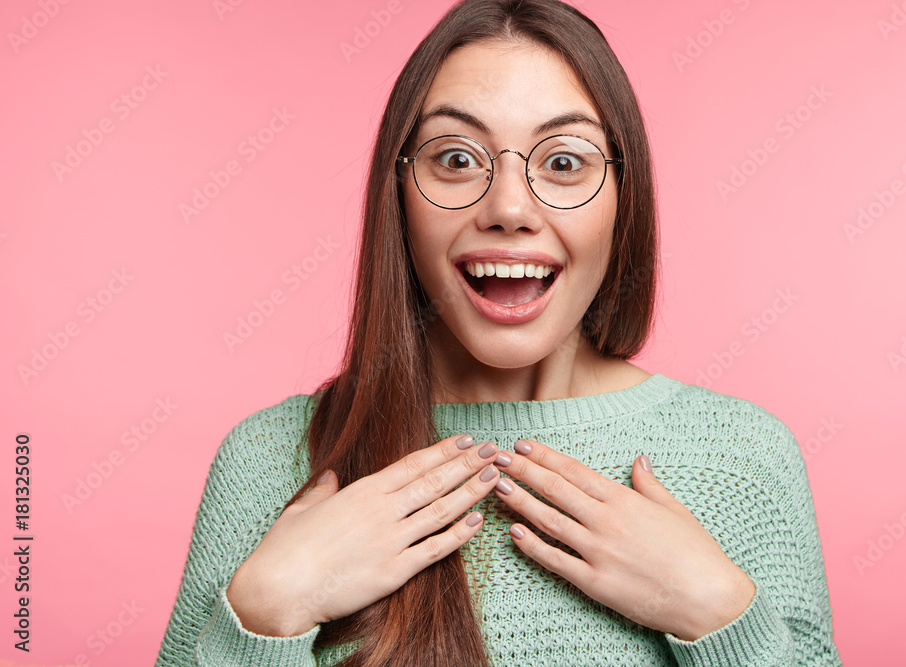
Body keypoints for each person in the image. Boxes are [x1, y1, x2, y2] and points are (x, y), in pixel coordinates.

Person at [156, 0, 842, 665]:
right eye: (456, 159)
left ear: (622, 196)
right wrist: (264, 616)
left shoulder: (745, 457)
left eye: (563, 162)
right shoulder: (264, 462)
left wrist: (718, 615)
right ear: (398, 193)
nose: (509, 207)